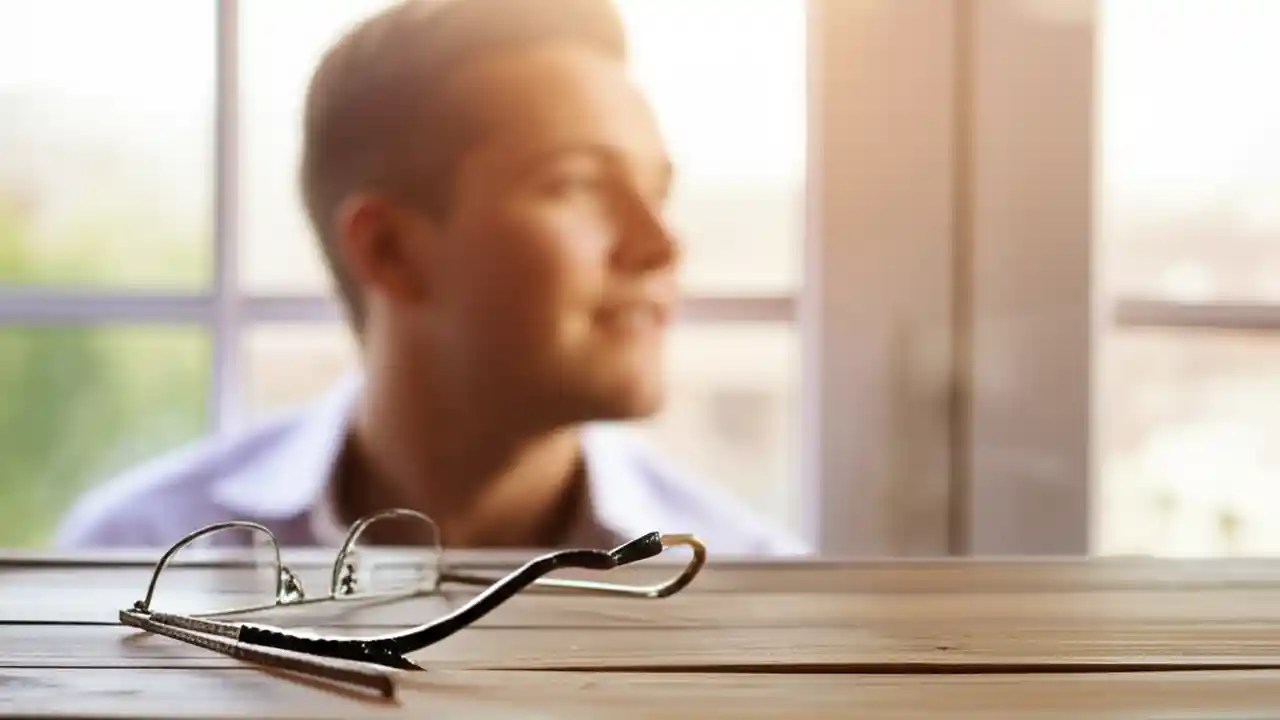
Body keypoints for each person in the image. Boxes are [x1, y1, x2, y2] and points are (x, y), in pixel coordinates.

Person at [56, 0, 803, 555]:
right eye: (577, 184)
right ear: (390, 251)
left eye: (657, 191)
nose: (660, 244)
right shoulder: (135, 556)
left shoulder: (754, 588)